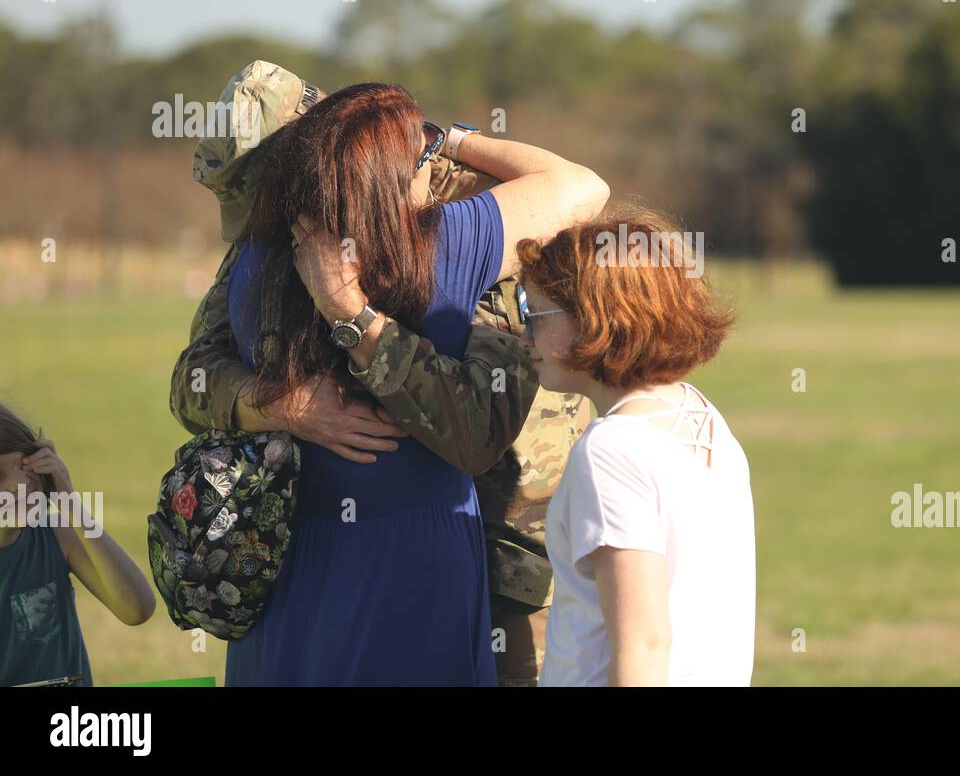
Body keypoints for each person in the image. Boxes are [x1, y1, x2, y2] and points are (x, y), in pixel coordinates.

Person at [171, 60, 594, 685]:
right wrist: (279, 404)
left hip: (514, 531)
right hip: (361, 536)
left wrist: (442, 142)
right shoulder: (267, 245)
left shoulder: (456, 206)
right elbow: (193, 380)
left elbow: (477, 425)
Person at [515, 205, 756, 686]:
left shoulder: (611, 452)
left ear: (596, 319)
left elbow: (643, 645)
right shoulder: (700, 416)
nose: (523, 337)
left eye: (534, 314)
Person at [0, 403, 156, 687]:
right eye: (1, 476)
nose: (20, 483)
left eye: (26, 465)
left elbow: (137, 609)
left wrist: (69, 502)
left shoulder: (56, 534)